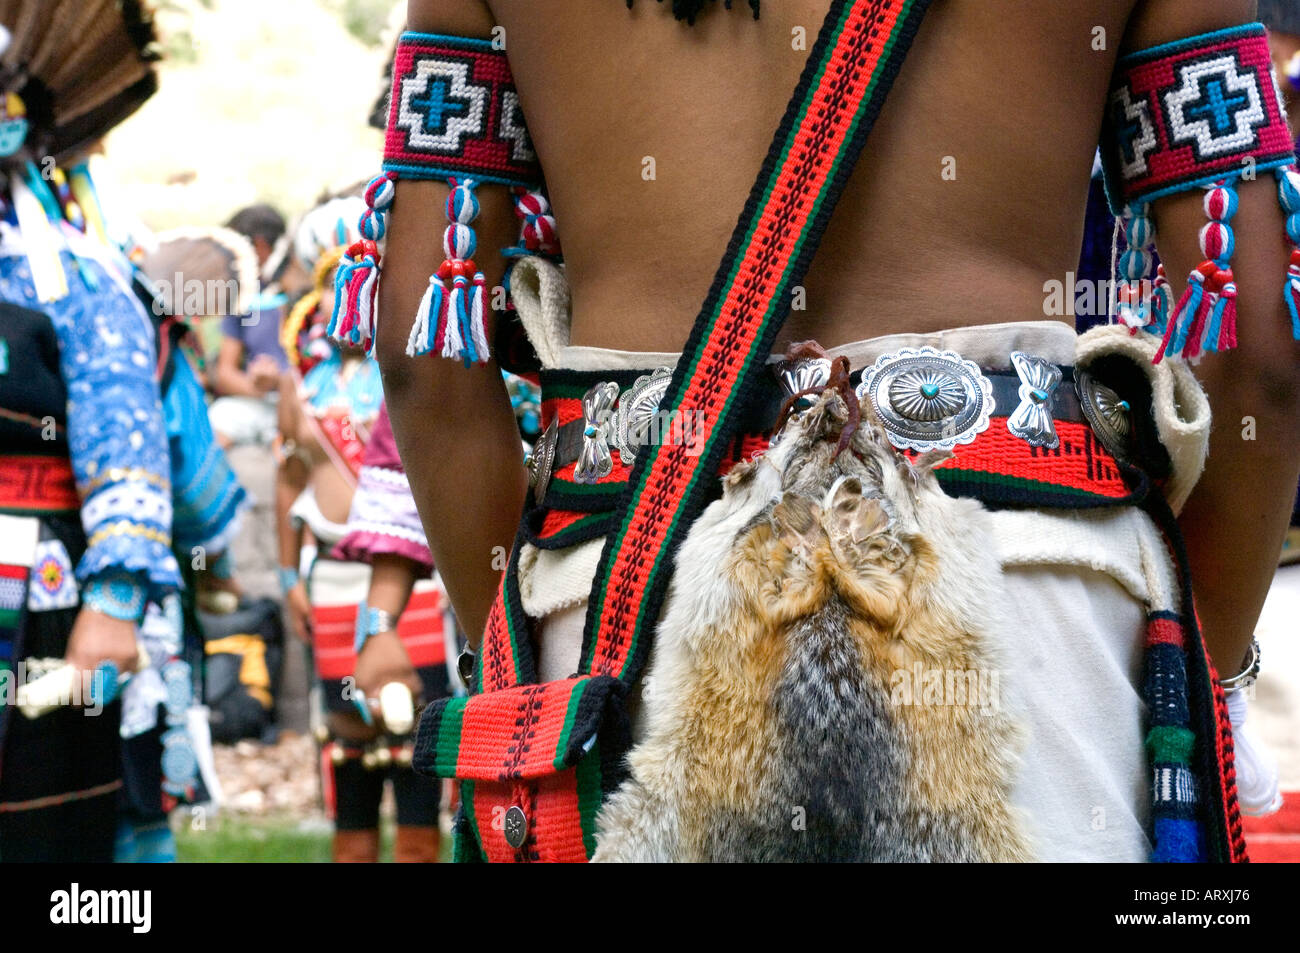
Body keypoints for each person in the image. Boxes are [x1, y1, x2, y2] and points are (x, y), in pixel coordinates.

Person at [372, 0, 1300, 862]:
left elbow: (423, 356)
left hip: (624, 605)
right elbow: (1259, 352)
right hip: (1031, 597)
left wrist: (514, 660)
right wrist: (1208, 686)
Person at [0, 0, 180, 862]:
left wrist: (112, 603)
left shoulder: (70, 273)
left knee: (42, 834)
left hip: (31, 595)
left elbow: (124, 433)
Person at [276, 242, 447, 862]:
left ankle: (420, 845)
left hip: (412, 574)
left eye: (350, 283)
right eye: (331, 286)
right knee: (348, 734)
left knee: (415, 722)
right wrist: (285, 571)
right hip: (332, 578)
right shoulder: (301, 391)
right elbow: (288, 481)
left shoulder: (413, 369)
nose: (338, 299)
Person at [209, 204, 289, 448]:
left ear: (260, 247)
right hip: (260, 402)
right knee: (217, 421)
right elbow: (226, 372)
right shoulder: (242, 298)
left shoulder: (300, 294)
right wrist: (259, 387)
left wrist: (282, 385)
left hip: (299, 403)